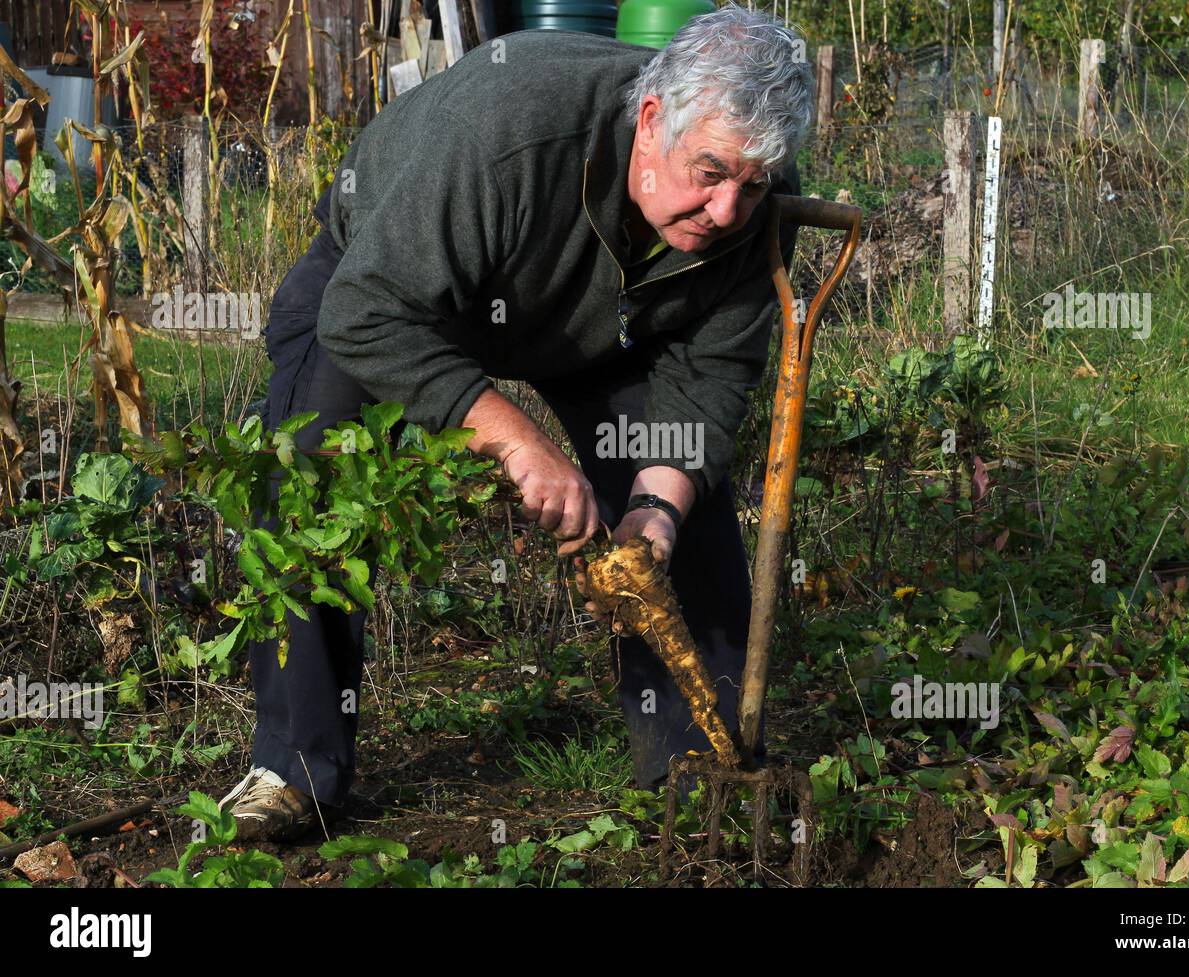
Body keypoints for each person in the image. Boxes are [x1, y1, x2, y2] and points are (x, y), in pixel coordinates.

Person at [218, 4, 812, 841]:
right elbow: (363, 311)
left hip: (604, 327)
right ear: (651, 120)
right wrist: (513, 435)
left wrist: (657, 507)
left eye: (751, 186)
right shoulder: (508, 130)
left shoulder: (750, 209)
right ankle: (295, 771)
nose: (725, 211)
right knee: (317, 460)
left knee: (687, 512)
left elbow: (710, 374)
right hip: (395, 293)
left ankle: (694, 768)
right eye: (710, 172)